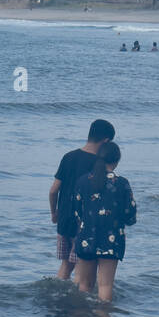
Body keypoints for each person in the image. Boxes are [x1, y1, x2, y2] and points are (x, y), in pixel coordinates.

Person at [49, 119, 116, 280]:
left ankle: (59, 296)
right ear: (106, 141)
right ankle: (77, 302)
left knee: (66, 265)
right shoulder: (99, 164)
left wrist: (54, 213)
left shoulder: (68, 156)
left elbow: (53, 191)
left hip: (64, 218)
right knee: (82, 266)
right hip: (85, 222)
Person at [71, 141, 136, 303]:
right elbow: (130, 214)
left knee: (84, 285)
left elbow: (77, 211)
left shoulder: (83, 181)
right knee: (105, 286)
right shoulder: (122, 183)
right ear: (117, 160)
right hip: (111, 240)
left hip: (86, 237)